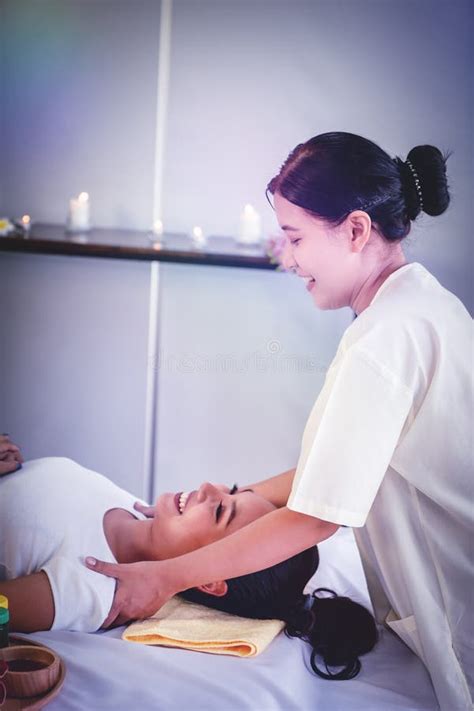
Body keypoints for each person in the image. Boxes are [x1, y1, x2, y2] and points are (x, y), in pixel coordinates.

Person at [86, 132, 473, 710]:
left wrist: (166, 576)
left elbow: (315, 518)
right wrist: (228, 500)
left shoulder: (383, 341)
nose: (286, 257)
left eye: (295, 238)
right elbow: (328, 473)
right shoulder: (422, 306)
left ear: (356, 230)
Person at [0, 450, 377, 679]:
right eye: (231, 491)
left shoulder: (96, 584)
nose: (209, 485)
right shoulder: (132, 507)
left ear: (212, 580)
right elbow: (319, 487)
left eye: (218, 511)